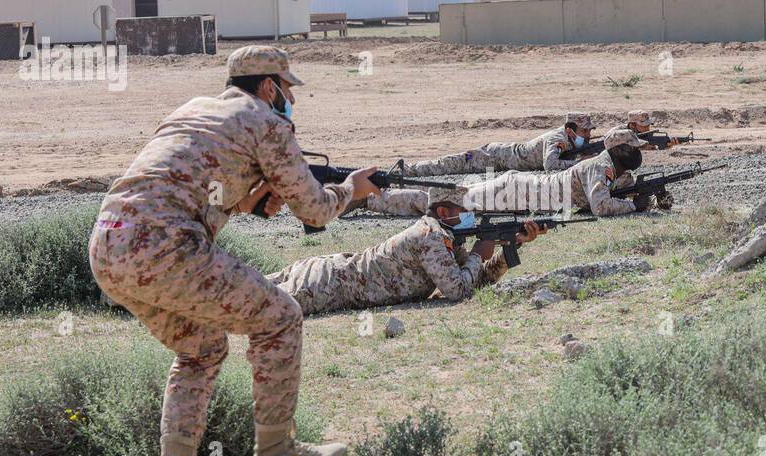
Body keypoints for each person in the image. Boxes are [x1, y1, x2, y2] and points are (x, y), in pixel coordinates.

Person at [89, 45, 380, 456]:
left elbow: (193, 182)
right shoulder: (267, 121)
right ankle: (277, 454)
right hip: (164, 244)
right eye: (287, 89)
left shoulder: (194, 109)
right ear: (269, 86)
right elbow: (316, 211)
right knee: (281, 317)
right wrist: (351, 190)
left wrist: (246, 200)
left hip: (109, 244)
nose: (291, 100)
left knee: (201, 348)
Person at [263, 188, 545, 314]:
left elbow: (474, 281)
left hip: (326, 274)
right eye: (466, 211)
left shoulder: (446, 234)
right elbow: (458, 291)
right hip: (325, 285)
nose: (471, 216)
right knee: (246, 305)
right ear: (444, 211)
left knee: (242, 288)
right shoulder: (430, 235)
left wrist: (510, 247)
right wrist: (478, 253)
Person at [463, 128, 650, 217]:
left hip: (526, 191)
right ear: (617, 150)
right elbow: (600, 207)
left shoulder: (620, 172)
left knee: (462, 196)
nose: (637, 153)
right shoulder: (600, 166)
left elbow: (626, 194)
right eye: (632, 148)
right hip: (521, 192)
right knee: (461, 199)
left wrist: (656, 199)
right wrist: (635, 206)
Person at [399, 113, 595, 175]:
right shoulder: (557, 138)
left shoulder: (569, 139)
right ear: (570, 130)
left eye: (589, 131)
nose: (587, 135)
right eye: (584, 131)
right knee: (451, 165)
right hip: (494, 156)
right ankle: (408, 171)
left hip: (502, 160)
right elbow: (550, 165)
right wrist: (580, 163)